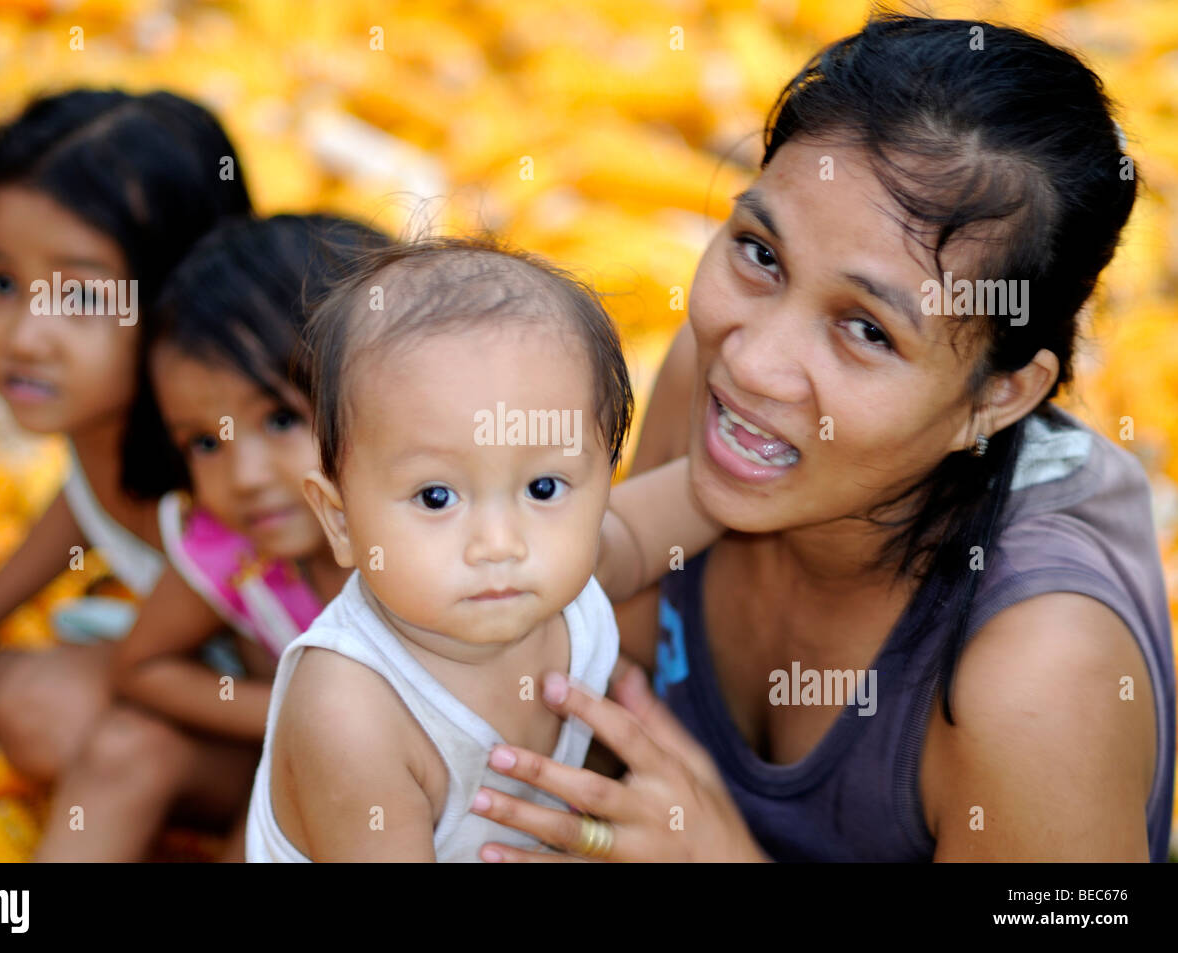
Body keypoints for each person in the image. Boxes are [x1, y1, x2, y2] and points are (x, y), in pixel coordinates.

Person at [468, 14, 1175, 862]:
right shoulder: (716, 377)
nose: (755, 361)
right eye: (762, 254)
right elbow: (591, 690)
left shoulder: (1036, 679)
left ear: (997, 398)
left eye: (868, 330)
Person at [245, 236, 720, 861]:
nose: (499, 544)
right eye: (437, 498)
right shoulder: (353, 710)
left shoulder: (576, 568)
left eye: (543, 487)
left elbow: (705, 494)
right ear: (340, 521)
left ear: (606, 481)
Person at [0, 89, 253, 783]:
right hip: (221, 685)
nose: (23, 337)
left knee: (42, 710)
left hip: (322, 725)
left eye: (80, 296)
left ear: (184, 298)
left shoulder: (238, 473)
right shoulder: (107, 420)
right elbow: (88, 504)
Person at [32, 213, 390, 861]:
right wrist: (295, 715)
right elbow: (142, 667)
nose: (246, 476)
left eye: (280, 418)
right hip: (285, 766)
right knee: (122, 747)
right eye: (205, 442)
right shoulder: (236, 549)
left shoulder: (459, 546)